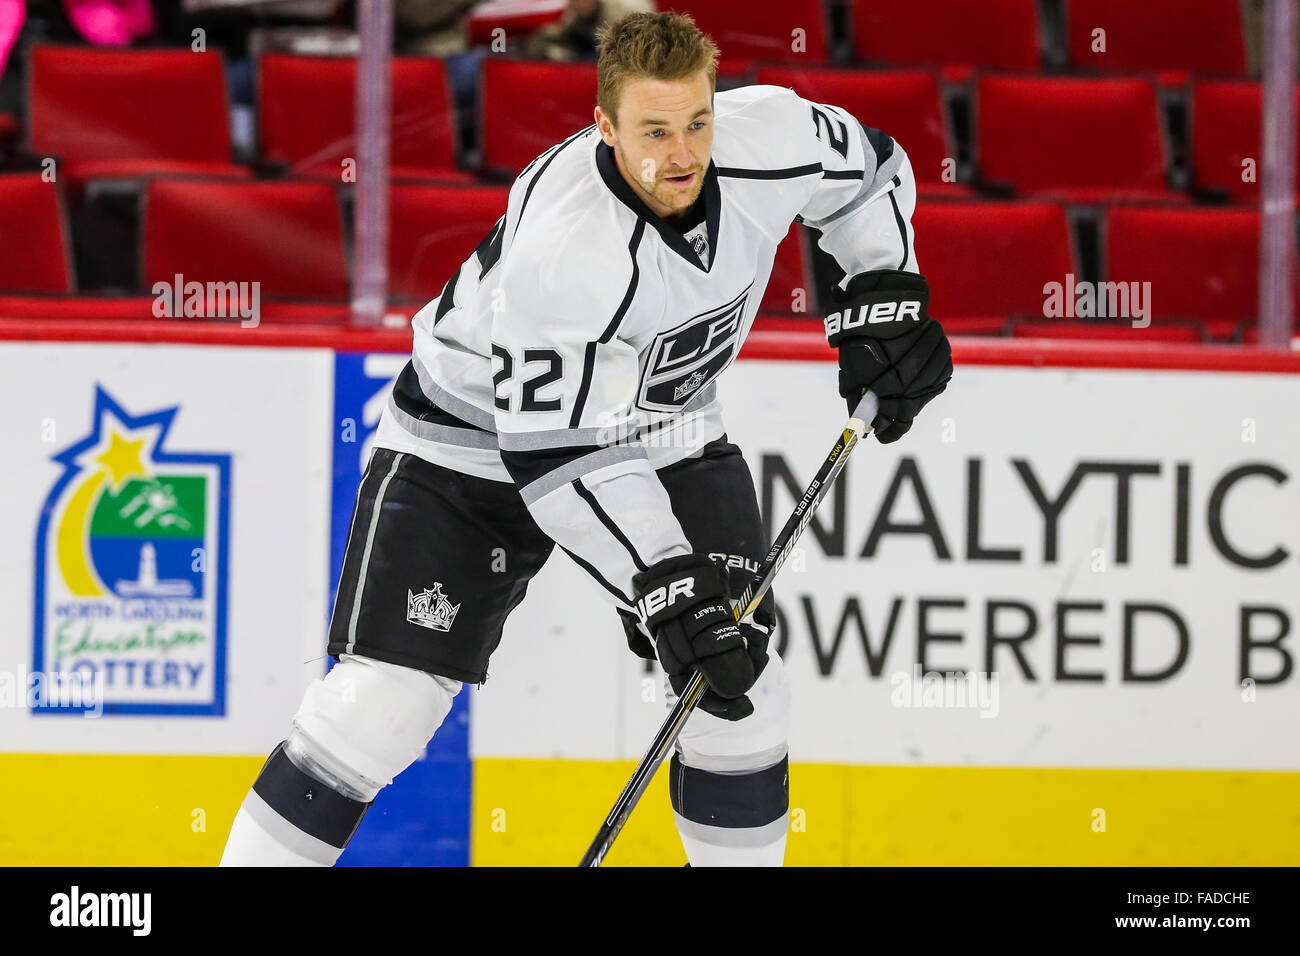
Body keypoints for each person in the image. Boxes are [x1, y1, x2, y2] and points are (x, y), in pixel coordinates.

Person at [220, 10, 952, 868]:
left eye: (696, 122)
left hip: (670, 428)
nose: (681, 153)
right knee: (378, 709)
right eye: (653, 131)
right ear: (605, 127)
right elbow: (560, 457)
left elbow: (869, 169)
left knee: (739, 687)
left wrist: (881, 294)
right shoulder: (564, 252)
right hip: (473, 444)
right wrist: (667, 584)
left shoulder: (772, 130)